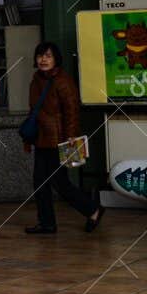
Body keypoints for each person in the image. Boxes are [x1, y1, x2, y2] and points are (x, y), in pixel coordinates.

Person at [22, 41, 104, 235]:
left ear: (56, 59)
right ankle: (47, 223)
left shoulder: (63, 81)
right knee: (40, 183)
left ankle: (93, 209)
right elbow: (33, 113)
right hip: (42, 139)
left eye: (48, 56)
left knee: (61, 184)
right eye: (40, 55)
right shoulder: (36, 80)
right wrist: (28, 139)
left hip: (60, 140)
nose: (43, 59)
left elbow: (72, 112)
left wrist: (71, 140)